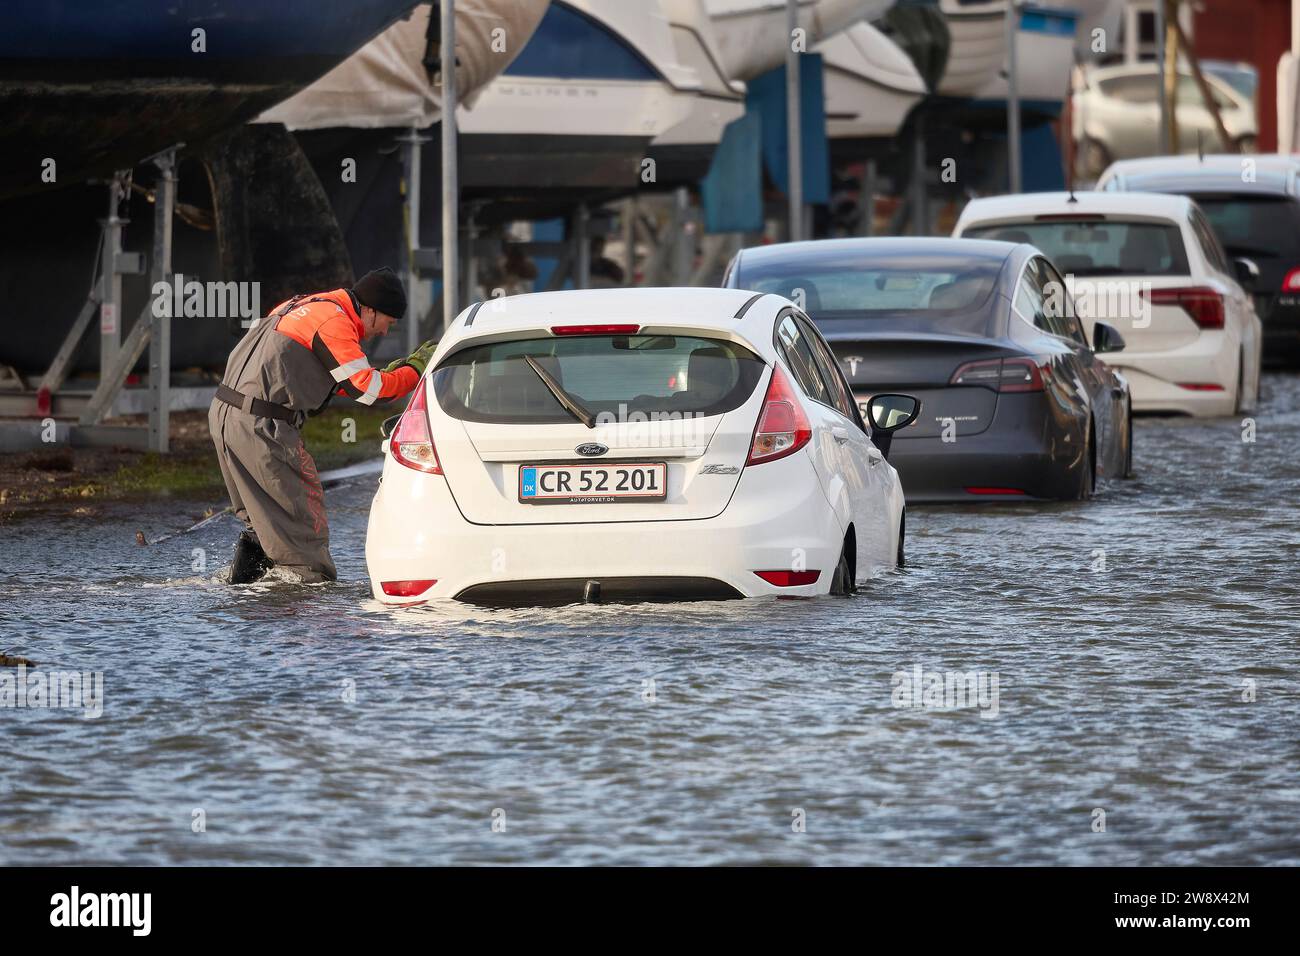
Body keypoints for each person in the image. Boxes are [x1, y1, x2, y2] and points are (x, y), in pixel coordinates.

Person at [209, 267, 434, 584]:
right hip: (263, 425)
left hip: (226, 415)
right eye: (388, 322)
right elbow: (366, 390)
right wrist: (414, 370)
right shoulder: (336, 323)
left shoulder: (304, 306)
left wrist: (392, 374)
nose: (385, 332)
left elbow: (326, 377)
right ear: (370, 310)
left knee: (264, 521)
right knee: (302, 524)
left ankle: (244, 601)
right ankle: (312, 608)